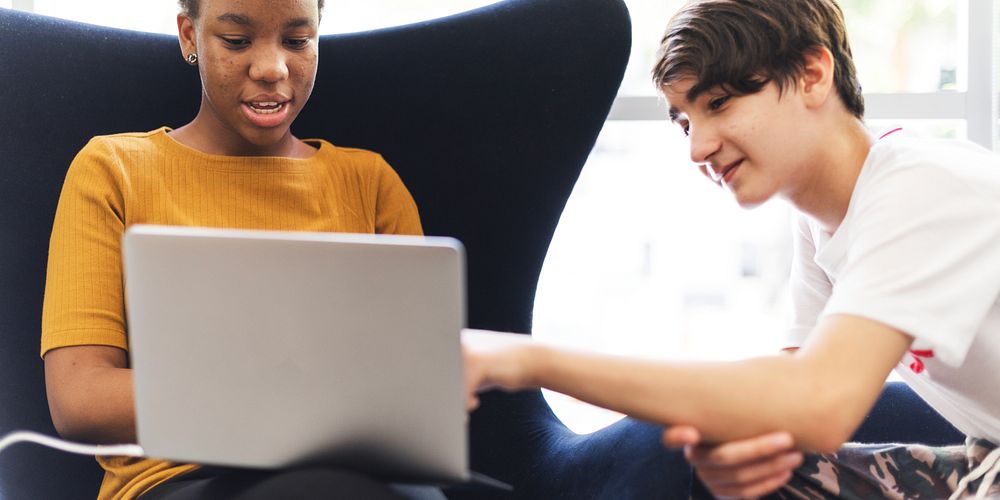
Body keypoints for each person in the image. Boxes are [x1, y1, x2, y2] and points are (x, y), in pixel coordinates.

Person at [463, 0, 1000, 498]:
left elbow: (819, 403)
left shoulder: (919, 186)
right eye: (685, 121)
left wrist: (524, 360)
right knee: (780, 475)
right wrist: (749, 448)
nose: (698, 147)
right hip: (987, 452)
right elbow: (789, 400)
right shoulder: (823, 220)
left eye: (719, 103)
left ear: (814, 73)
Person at [40, 1, 437, 498]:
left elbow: (424, 389)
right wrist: (303, 393)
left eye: (297, 41)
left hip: (363, 472)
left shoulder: (370, 183)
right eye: (236, 41)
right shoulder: (112, 171)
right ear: (189, 36)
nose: (272, 69)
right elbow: (80, 398)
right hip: (183, 479)